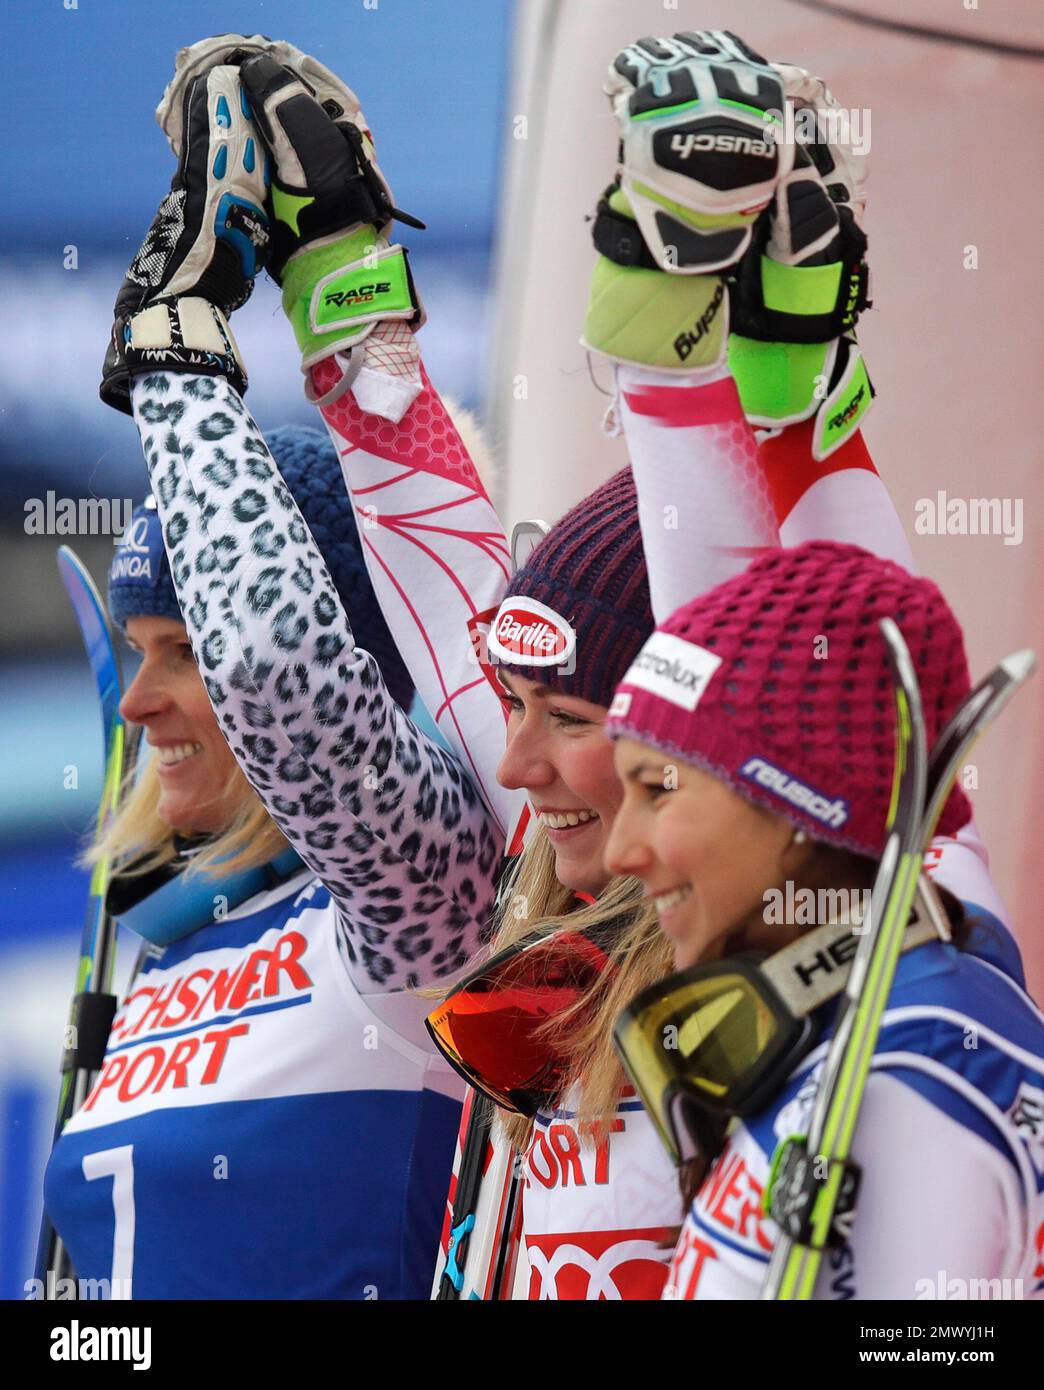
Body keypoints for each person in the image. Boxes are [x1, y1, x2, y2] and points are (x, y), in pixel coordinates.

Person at [41, 64, 501, 1300]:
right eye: (140, 653)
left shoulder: (422, 908)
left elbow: (277, 666)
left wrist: (177, 351)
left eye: (178, 652)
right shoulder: (169, 949)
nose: (139, 704)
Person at [604, 540, 1044, 1300]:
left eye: (658, 789)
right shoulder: (845, 1013)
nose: (620, 850)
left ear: (798, 807)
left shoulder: (915, 1064)